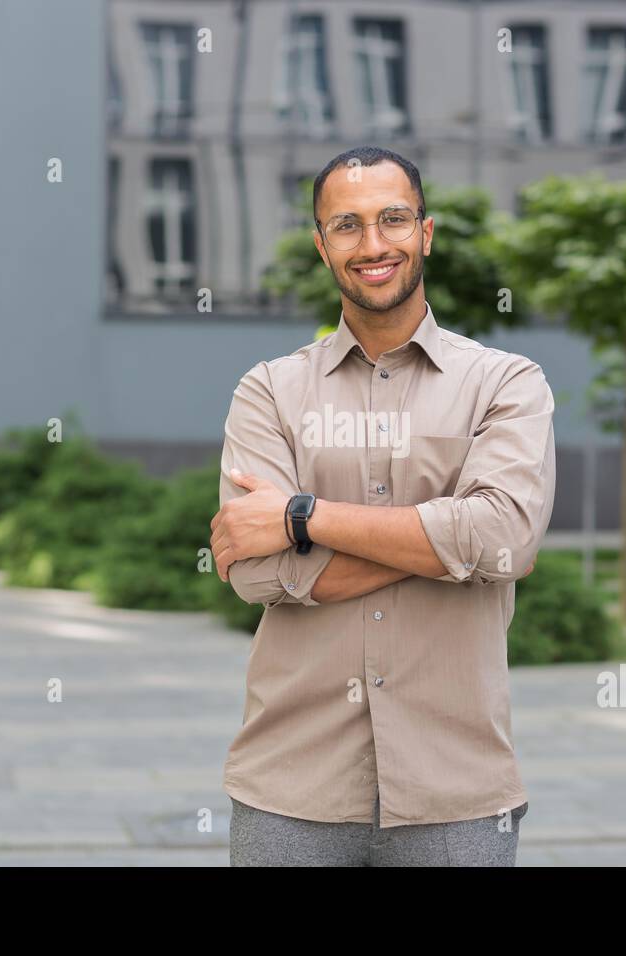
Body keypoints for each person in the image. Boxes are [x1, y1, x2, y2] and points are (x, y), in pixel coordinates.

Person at [209, 145, 556, 866]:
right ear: (321, 244)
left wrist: (300, 519)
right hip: (290, 788)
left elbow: (505, 540)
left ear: (425, 233)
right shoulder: (268, 392)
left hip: (456, 791)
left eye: (393, 219)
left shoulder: (506, 384)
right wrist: (443, 539)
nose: (374, 245)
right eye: (347, 225)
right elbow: (250, 572)